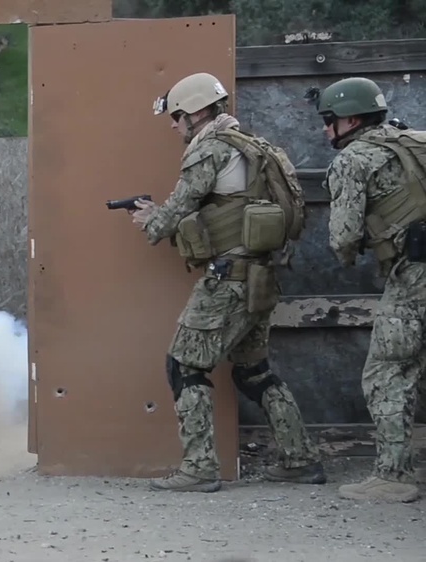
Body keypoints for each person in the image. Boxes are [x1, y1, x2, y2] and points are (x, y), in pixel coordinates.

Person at [130, 72, 326, 492]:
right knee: (253, 371)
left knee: (184, 365)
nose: (173, 126)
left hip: (228, 279)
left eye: (177, 116)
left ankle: (200, 468)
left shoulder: (211, 150)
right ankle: (300, 458)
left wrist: (150, 221)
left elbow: (178, 207)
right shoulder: (255, 146)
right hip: (261, 278)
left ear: (198, 111)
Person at [312, 76, 425, 503]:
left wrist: (352, 253)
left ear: (351, 119)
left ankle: (393, 476)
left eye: (329, 121)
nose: (325, 131)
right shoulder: (415, 140)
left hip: (413, 276)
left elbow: (343, 236)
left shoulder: (353, 161)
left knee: (387, 372)